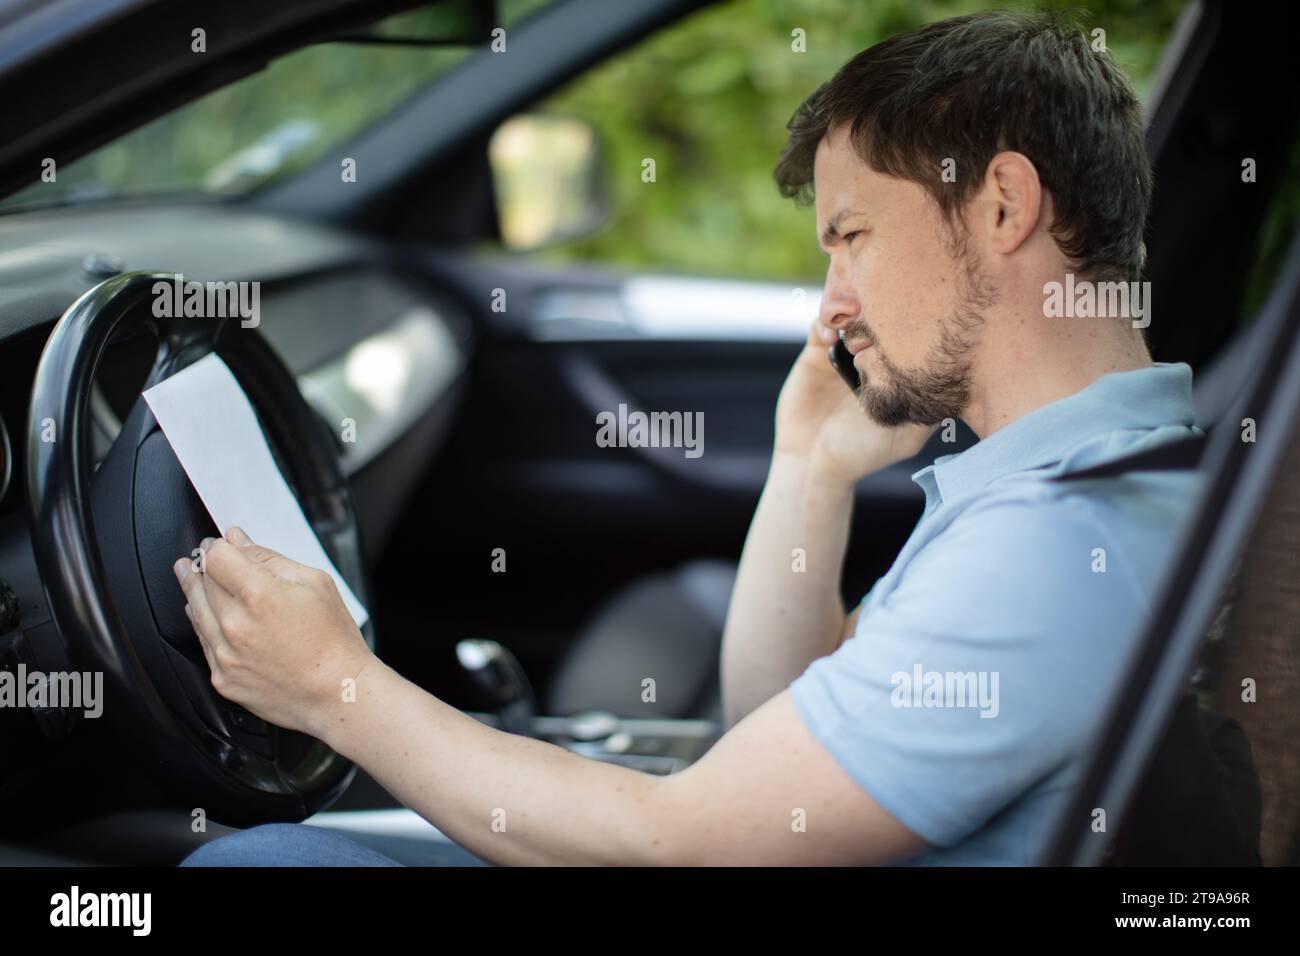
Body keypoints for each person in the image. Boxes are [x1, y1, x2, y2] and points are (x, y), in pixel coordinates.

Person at [180, 9, 1199, 867]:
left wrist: (333, 685)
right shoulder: (1104, 482)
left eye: (853, 237)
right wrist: (811, 464)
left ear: (1003, 205)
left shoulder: (1054, 548)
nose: (831, 303)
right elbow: (773, 741)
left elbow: (682, 843)